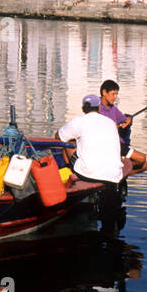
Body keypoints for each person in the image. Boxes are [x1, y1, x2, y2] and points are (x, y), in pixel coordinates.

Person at [58, 94, 125, 232]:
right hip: (114, 174)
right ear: (99, 107)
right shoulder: (110, 122)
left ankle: (69, 171)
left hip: (89, 173)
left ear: (83, 108)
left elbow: (58, 137)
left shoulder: (79, 121)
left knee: (67, 141)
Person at [98, 79, 147, 170]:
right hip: (108, 145)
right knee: (141, 159)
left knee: (144, 165)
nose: (115, 97)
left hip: (119, 143)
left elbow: (124, 120)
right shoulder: (97, 107)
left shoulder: (113, 108)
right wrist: (113, 127)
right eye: (113, 94)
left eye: (116, 94)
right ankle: (117, 171)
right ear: (104, 92)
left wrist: (129, 120)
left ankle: (118, 173)